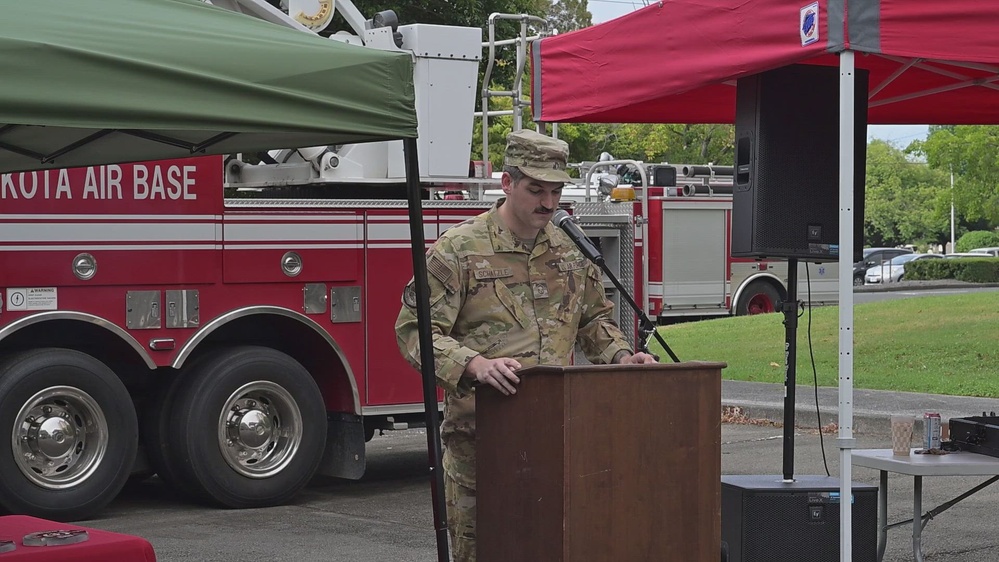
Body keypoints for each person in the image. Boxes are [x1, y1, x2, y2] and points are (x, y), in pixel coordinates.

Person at [394, 129, 657, 562]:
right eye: (536, 190)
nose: (549, 204)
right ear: (507, 183)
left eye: (556, 191)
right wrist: (473, 364)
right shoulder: (459, 249)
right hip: (481, 443)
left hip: (556, 441)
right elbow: (413, 332)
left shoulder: (570, 251)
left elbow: (593, 320)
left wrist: (623, 357)